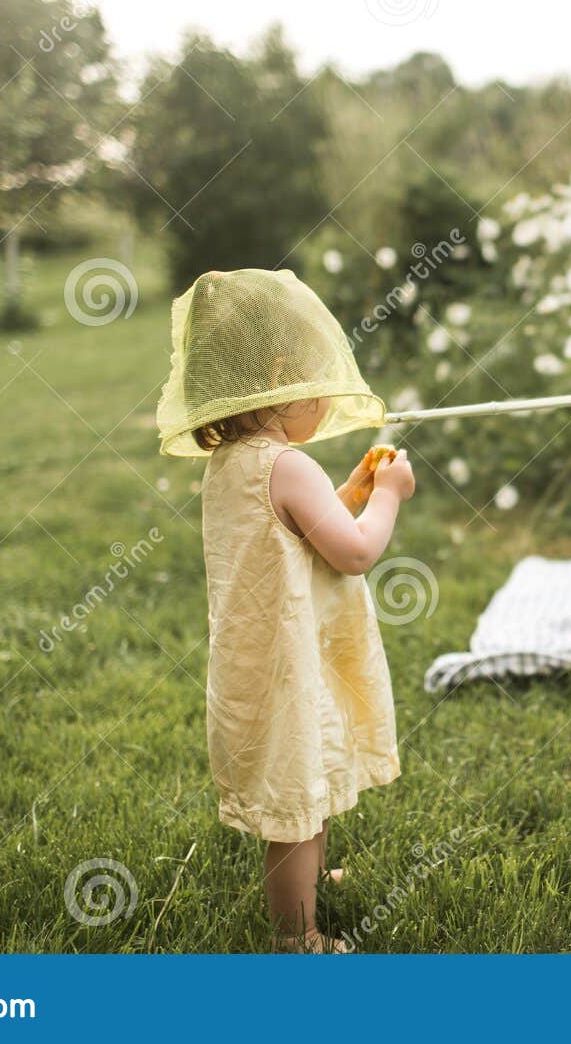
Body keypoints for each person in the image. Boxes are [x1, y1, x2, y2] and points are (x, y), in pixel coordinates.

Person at [157, 268, 416, 950]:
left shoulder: (238, 463)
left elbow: (299, 528)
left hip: (260, 663)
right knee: (295, 806)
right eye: (318, 389)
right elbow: (354, 552)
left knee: (302, 774)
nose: (327, 406)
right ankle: (296, 937)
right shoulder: (289, 467)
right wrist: (388, 494)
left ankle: (308, 879)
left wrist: (351, 488)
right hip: (292, 664)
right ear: (279, 377)